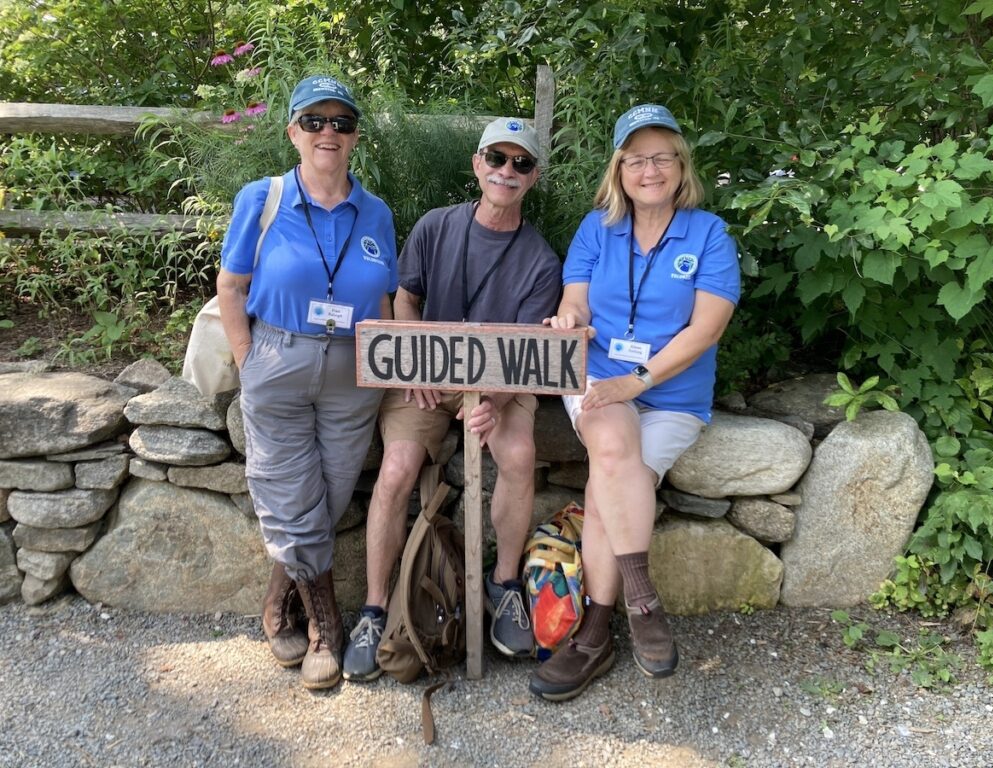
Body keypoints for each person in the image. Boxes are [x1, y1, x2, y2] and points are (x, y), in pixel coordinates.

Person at [530, 104, 740, 701]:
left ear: (680, 164)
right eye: (636, 158)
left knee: (607, 488)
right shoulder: (597, 228)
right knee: (616, 450)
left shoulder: (709, 235)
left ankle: (594, 634)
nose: (650, 169)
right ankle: (642, 602)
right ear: (619, 167)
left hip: (672, 393)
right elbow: (577, 303)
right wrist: (569, 319)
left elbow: (705, 330)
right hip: (596, 377)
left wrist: (639, 380)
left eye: (661, 157)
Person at [342, 117, 562, 681]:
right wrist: (417, 358)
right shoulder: (435, 227)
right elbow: (405, 299)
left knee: (515, 457)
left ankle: (505, 583)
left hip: (499, 387)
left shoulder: (540, 259)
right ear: (477, 164)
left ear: (533, 176)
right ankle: (374, 607)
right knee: (396, 470)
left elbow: (530, 353)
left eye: (521, 163)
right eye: (496, 158)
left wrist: (489, 397)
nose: (506, 171)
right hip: (426, 382)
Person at [216, 75, 399, 691]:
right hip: (279, 357)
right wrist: (248, 359)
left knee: (329, 496)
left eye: (341, 123)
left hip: (353, 370)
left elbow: (389, 298)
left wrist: (401, 366)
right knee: (291, 494)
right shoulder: (261, 199)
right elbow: (231, 287)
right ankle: (326, 626)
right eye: (315, 121)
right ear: (293, 131)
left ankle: (277, 604)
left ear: (355, 138)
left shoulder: (376, 213)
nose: (329, 133)